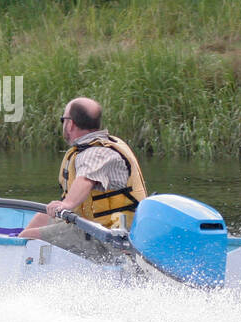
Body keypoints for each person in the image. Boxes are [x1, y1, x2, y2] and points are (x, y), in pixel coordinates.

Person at [19, 97, 147, 246]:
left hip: (111, 236)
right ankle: (18, 245)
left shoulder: (97, 153)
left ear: (70, 124)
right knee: (43, 215)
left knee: (29, 238)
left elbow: (86, 179)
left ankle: (20, 255)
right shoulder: (100, 145)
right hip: (93, 225)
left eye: (63, 119)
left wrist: (67, 203)